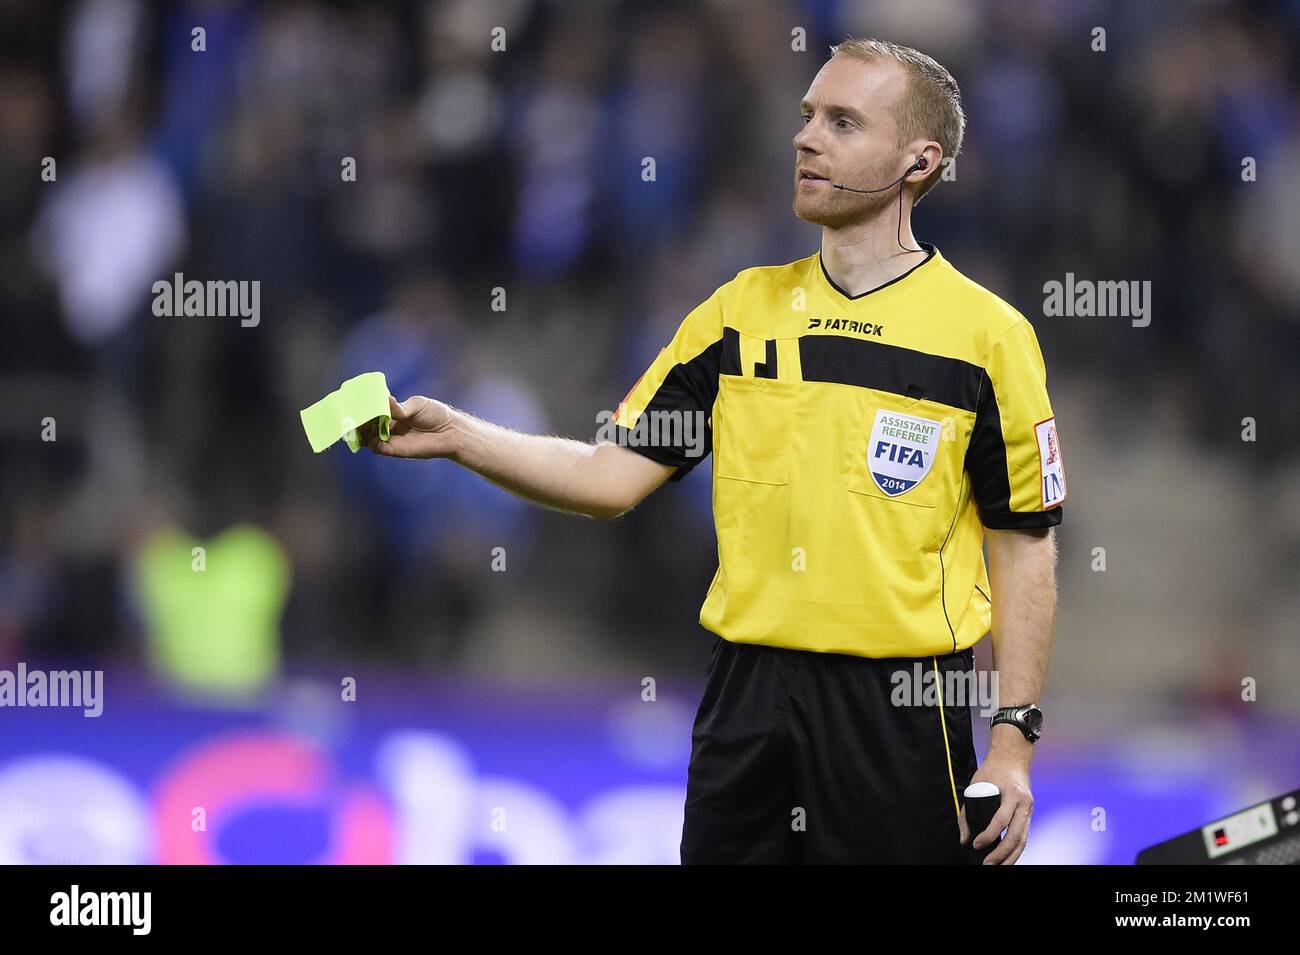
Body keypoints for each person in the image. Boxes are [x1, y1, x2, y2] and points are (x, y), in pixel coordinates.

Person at [361, 36, 1066, 865]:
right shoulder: (738, 314)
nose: (805, 138)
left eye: (843, 122)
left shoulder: (987, 337)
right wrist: (460, 434)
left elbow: (1024, 546)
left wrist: (1012, 743)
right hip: (748, 701)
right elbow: (609, 476)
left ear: (920, 161)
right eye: (806, 117)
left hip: (902, 710)